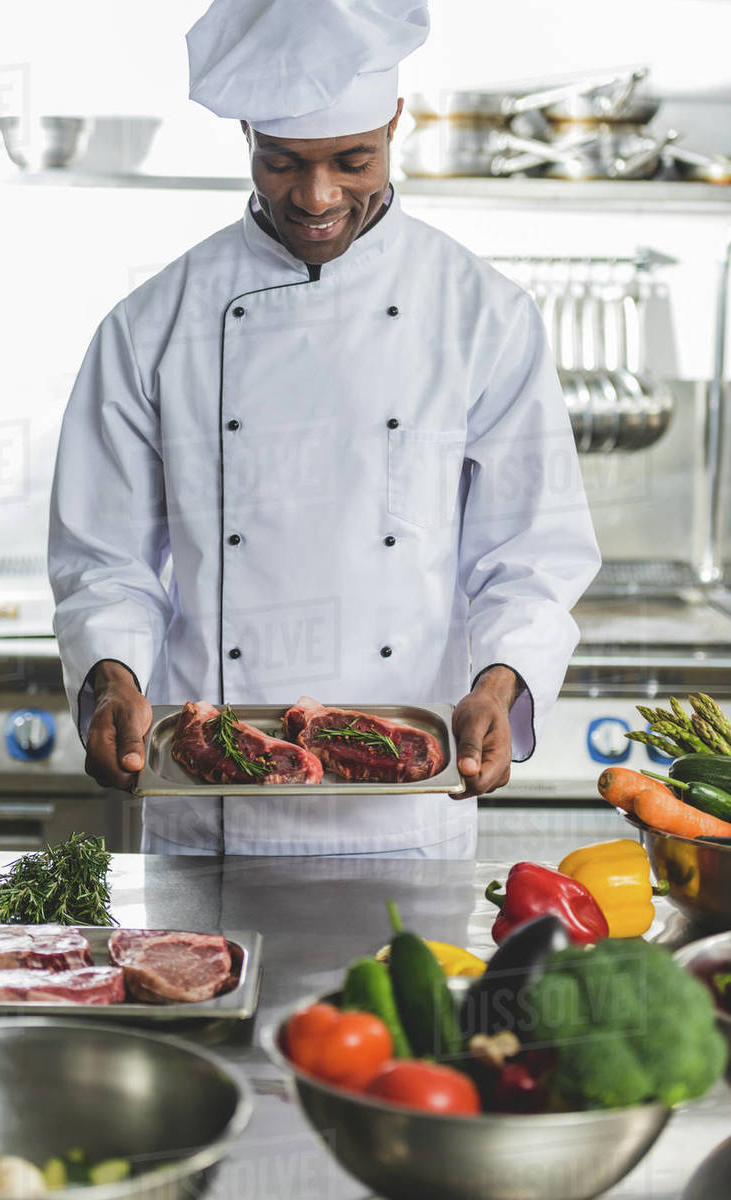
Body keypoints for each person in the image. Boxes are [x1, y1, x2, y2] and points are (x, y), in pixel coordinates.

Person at [48, 0, 601, 857]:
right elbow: (105, 562)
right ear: (245, 137)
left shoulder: (480, 315)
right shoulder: (152, 323)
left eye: (352, 161)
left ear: (394, 122)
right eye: (281, 164)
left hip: (406, 802)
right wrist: (111, 675)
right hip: (209, 805)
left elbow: (530, 554)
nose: (316, 196)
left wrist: (502, 685)